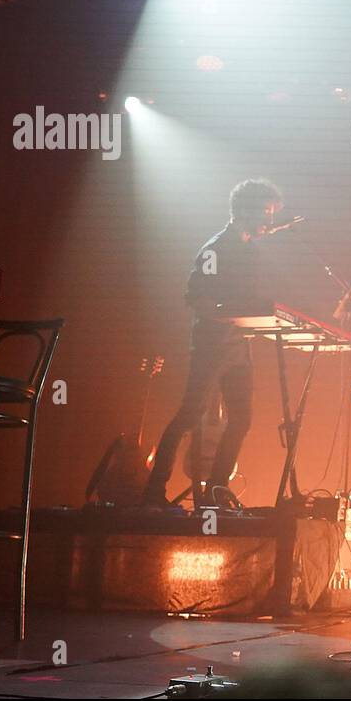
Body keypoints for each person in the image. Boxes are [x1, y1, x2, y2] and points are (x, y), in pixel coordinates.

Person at [140, 179, 284, 509]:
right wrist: (225, 312)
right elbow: (196, 295)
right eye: (266, 212)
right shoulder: (216, 248)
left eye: (272, 213)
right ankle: (153, 490)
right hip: (211, 344)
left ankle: (217, 493)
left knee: (242, 419)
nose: (269, 221)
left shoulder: (251, 250)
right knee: (190, 415)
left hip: (238, 346)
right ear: (245, 210)